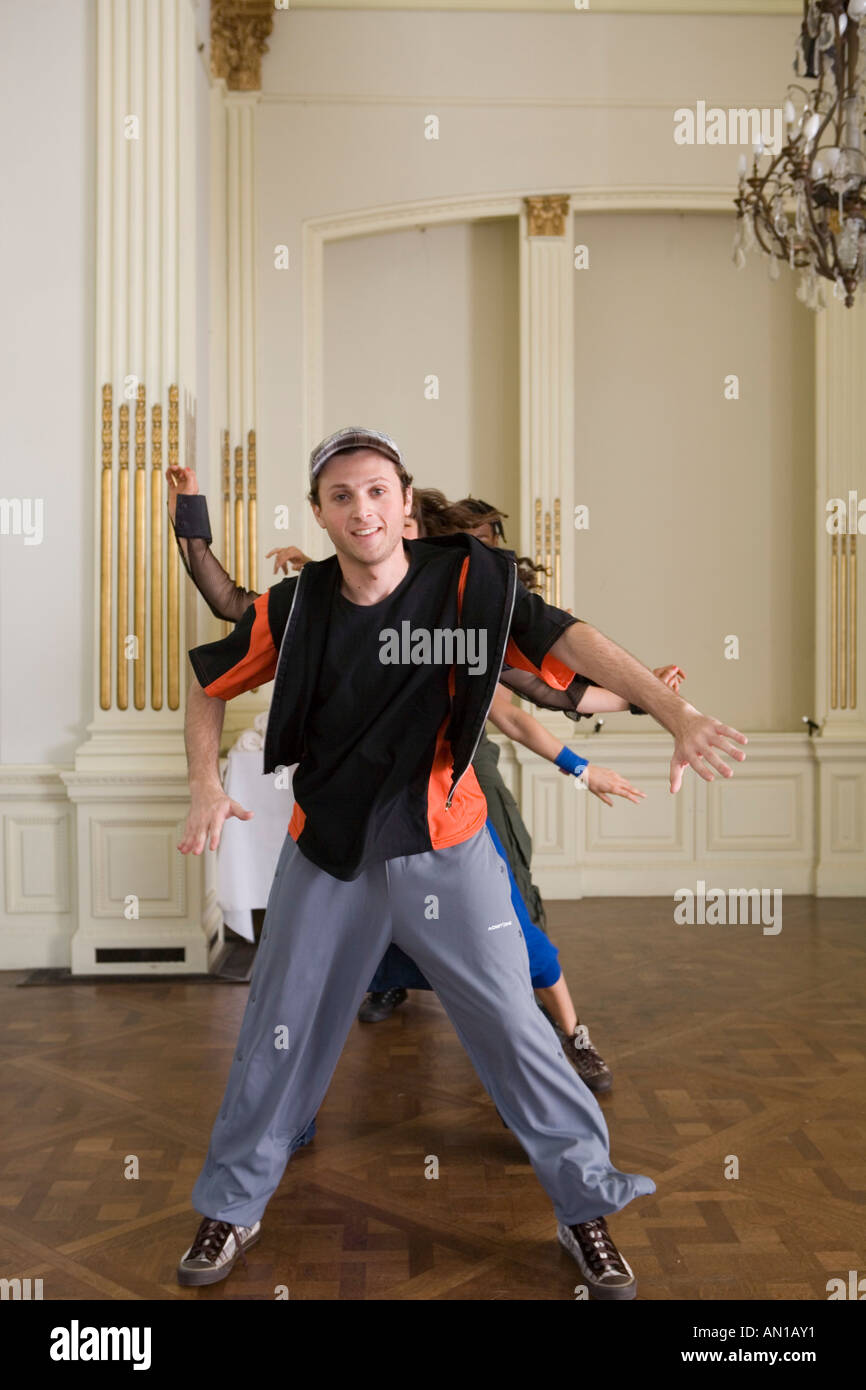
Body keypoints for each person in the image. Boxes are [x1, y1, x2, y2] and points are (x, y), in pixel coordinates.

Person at [172, 425, 746, 1298]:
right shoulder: (296, 608)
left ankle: (583, 1207)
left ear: (405, 504)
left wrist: (672, 710)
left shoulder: (474, 585)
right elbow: (210, 679)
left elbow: (574, 644)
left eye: (376, 490)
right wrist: (205, 786)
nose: (361, 508)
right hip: (329, 853)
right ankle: (234, 1202)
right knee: (275, 1032)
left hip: (449, 842)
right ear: (321, 516)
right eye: (340, 495)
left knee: (519, 1031)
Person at [167, 468, 683, 1090]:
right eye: (346, 504)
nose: (373, 528)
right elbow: (233, 611)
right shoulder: (316, 605)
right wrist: (192, 519)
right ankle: (345, 1046)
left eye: (390, 514)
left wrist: (640, 701)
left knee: (513, 937)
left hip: (460, 797)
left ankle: (563, 1043)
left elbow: (539, 697)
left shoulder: (458, 614)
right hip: (362, 815)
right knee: (332, 954)